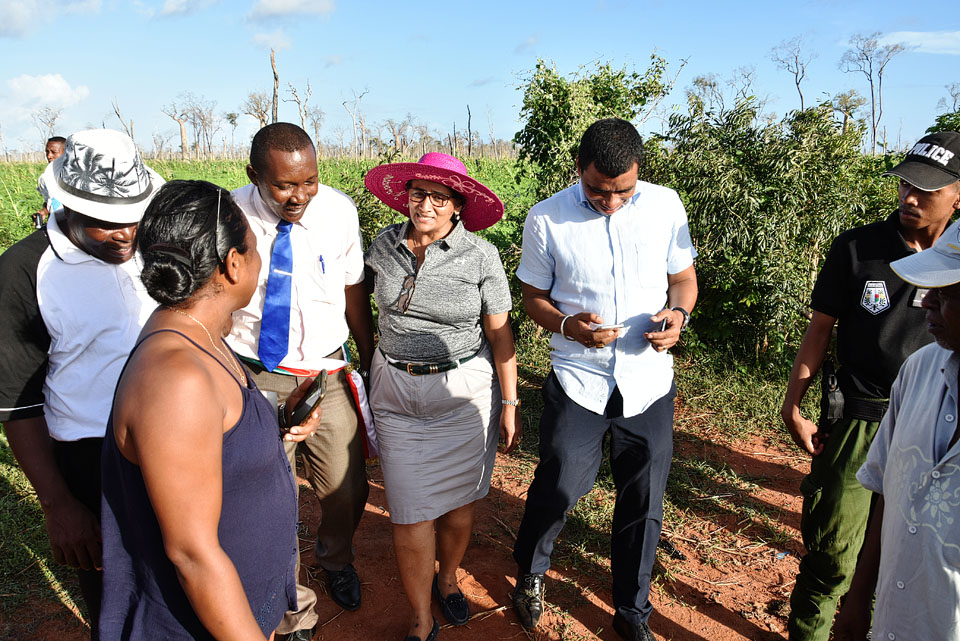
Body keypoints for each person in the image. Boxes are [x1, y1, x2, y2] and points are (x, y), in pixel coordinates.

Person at [100, 180, 321, 640]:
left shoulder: (202, 334)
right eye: (254, 249)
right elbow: (192, 554)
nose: (260, 261)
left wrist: (276, 422)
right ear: (233, 263)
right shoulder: (176, 379)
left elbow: (213, 442)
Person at [511, 118, 698, 641]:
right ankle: (531, 571)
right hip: (579, 378)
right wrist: (568, 325)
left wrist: (678, 316)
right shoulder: (547, 218)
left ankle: (632, 609)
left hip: (648, 381)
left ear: (639, 173)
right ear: (579, 169)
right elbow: (533, 298)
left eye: (623, 191)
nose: (611, 202)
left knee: (644, 499)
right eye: (597, 190)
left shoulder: (666, 206)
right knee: (560, 483)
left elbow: (683, 280)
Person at [781, 130, 960, 641]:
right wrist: (794, 406)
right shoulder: (858, 249)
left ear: (958, 195)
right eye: (905, 184)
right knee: (833, 555)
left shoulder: (956, 258)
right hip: (859, 419)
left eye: (926, 190)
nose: (909, 198)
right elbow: (820, 329)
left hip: (931, 420)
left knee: (909, 555)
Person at [0, 129, 162, 640]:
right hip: (91, 458)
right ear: (66, 206)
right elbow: (18, 403)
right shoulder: (24, 271)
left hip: (169, 438)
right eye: (106, 223)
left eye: (134, 218)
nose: (125, 234)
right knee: (113, 595)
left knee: (178, 573)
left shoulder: (153, 245)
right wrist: (58, 504)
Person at [363, 153, 522, 641]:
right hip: (395, 390)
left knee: (458, 505)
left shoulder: (481, 256)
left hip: (462, 393)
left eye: (438, 197)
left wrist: (510, 402)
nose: (425, 205)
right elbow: (356, 300)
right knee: (409, 509)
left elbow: (499, 334)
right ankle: (420, 616)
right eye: (418, 194)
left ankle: (447, 577)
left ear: (457, 205)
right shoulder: (383, 244)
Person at [228, 122, 374, 641]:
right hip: (253, 371)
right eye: (284, 185)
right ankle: (288, 604)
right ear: (254, 175)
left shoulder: (338, 211)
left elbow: (353, 289)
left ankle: (335, 559)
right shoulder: (229, 215)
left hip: (324, 370)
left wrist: (369, 354)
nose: (300, 196)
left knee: (346, 485)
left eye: (309, 181)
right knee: (269, 496)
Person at [831, 216, 960, 641]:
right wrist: (858, 599)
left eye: (946, 293)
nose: (927, 303)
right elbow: (891, 491)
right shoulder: (919, 372)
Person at [34, 135, 67, 228]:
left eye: (54, 152)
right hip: (54, 225)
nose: (49, 156)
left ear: (66, 153)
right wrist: (44, 211)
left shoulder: (75, 177)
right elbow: (48, 200)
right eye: (47, 152)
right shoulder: (44, 178)